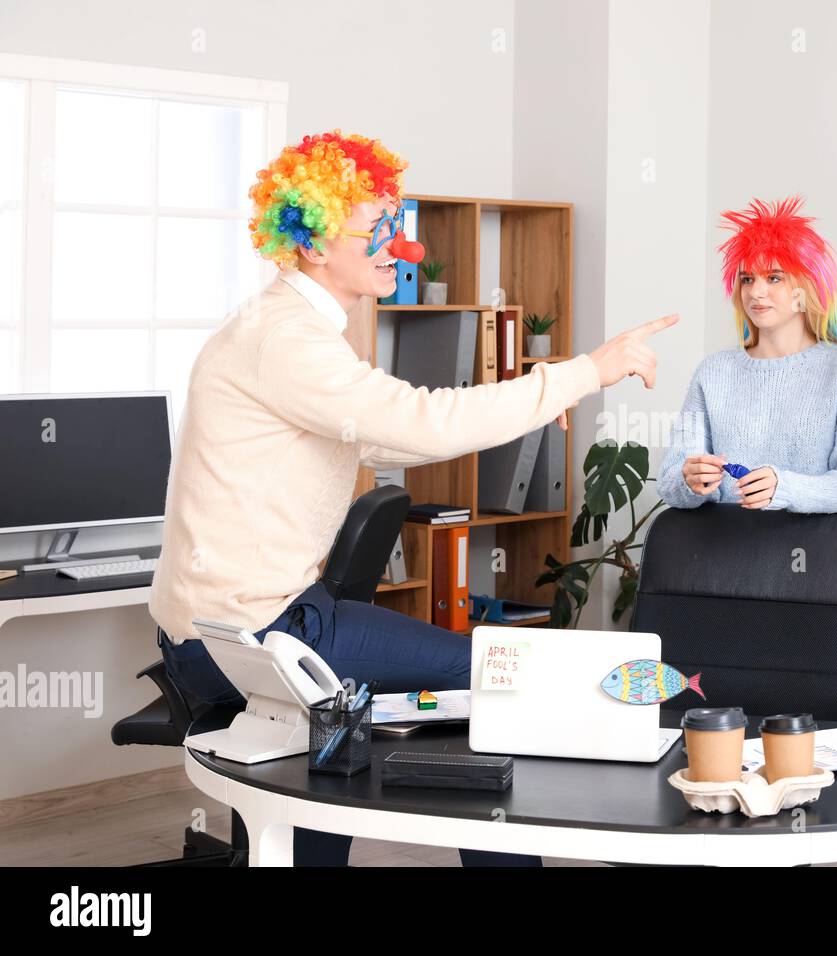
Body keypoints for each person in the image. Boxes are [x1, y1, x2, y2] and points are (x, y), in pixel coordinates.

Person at [149, 129, 677, 865]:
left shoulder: (286, 328)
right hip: (256, 632)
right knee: (490, 677)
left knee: (345, 735)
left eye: (394, 227)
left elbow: (380, 437)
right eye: (375, 229)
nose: (396, 247)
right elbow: (422, 424)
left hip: (241, 621)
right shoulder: (289, 342)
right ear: (311, 244)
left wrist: (520, 404)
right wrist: (583, 372)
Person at [656, 196, 837, 515]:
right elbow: (670, 482)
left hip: (820, 554)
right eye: (747, 279)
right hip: (728, 553)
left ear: (807, 287)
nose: (756, 292)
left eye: (774, 278)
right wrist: (690, 481)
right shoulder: (715, 370)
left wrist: (785, 488)